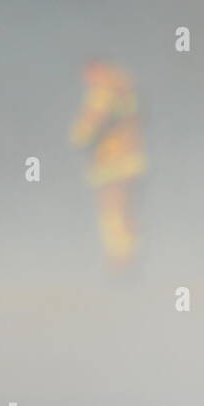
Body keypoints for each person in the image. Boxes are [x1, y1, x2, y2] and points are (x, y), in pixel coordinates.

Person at [69, 60, 146, 270]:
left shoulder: (103, 92)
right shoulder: (126, 89)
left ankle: (120, 261)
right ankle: (129, 257)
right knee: (126, 210)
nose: (86, 81)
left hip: (111, 160)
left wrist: (77, 140)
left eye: (88, 75)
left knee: (112, 210)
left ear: (96, 70)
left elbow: (91, 124)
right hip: (133, 157)